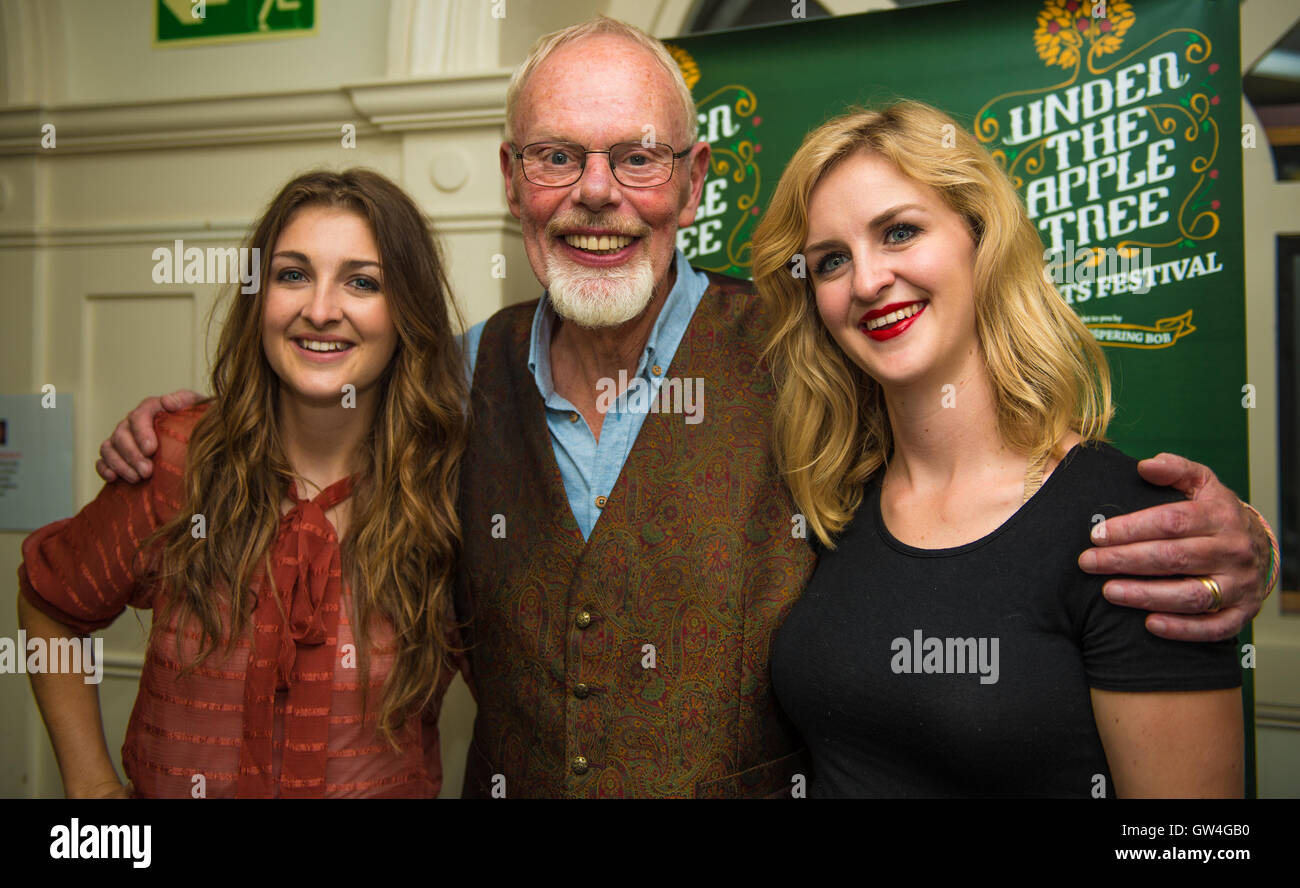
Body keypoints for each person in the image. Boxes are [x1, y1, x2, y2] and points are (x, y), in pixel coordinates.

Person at [95, 18, 1274, 798]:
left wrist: (1242, 542)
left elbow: (991, 485)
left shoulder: (811, 350)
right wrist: (175, 433)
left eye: (637, 158)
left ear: (694, 184)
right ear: (512, 181)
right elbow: (310, 400)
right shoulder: (447, 382)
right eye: (556, 157)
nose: (596, 195)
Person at [755, 102, 1243, 797]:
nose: (866, 282)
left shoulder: (1139, 530)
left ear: (981, 238)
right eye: (832, 260)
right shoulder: (829, 507)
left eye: (899, 231)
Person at [19, 169, 468, 798]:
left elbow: (526, 686)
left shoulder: (452, 492)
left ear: (408, 314)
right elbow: (51, 605)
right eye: (292, 275)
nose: (319, 310)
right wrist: (91, 788)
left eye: (362, 282)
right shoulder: (176, 458)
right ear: (259, 298)